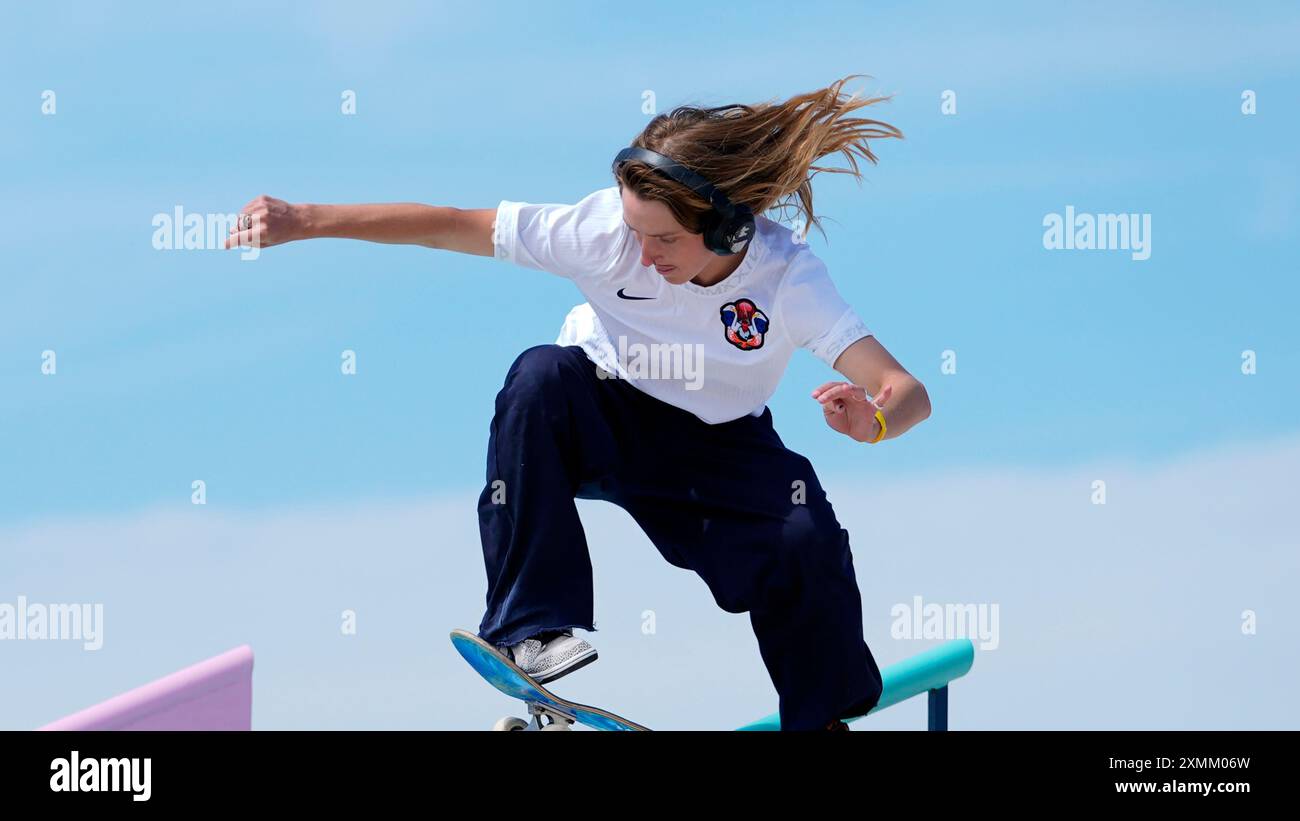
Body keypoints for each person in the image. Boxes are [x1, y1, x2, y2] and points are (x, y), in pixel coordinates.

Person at [226, 74, 931, 731]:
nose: (643, 252)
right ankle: (531, 627)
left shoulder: (785, 277)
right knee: (538, 376)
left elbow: (906, 393)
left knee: (804, 532)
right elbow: (449, 223)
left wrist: (870, 421)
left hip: (719, 451)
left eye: (663, 238)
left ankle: (821, 714)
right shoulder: (603, 234)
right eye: (634, 230)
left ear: (726, 228)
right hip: (603, 410)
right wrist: (307, 218)